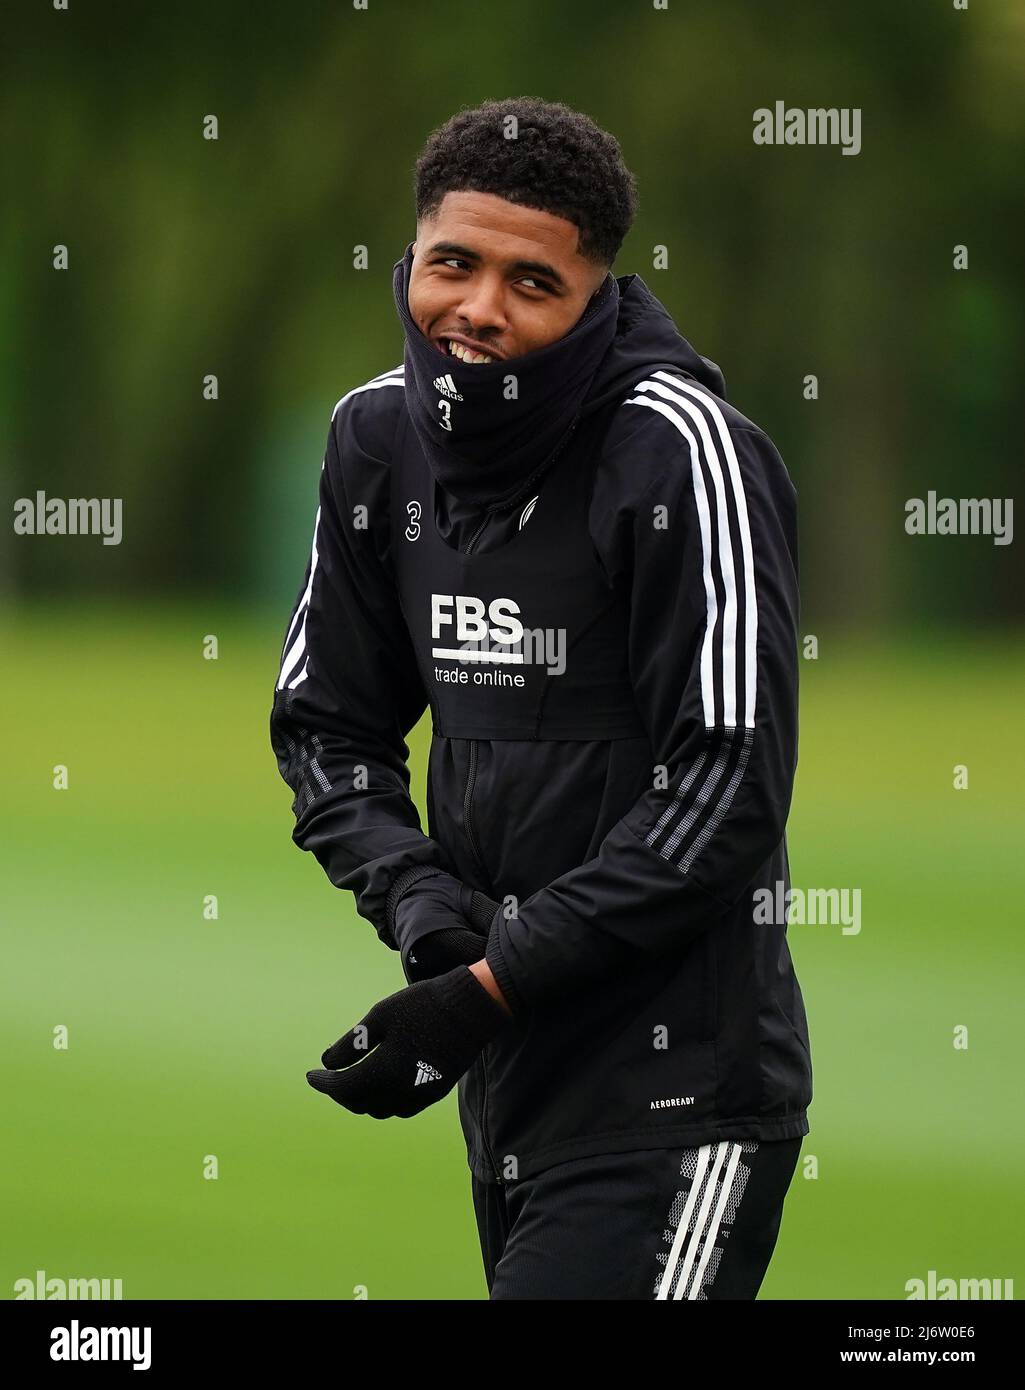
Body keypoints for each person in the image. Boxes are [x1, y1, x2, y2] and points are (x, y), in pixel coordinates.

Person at [270, 96, 812, 1300]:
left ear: (594, 296)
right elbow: (328, 726)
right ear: (410, 255)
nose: (478, 308)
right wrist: (419, 906)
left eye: (532, 282)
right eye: (452, 264)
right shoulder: (373, 437)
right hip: (508, 1079)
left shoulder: (679, 451)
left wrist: (491, 982)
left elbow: (722, 787)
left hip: (677, 1089)